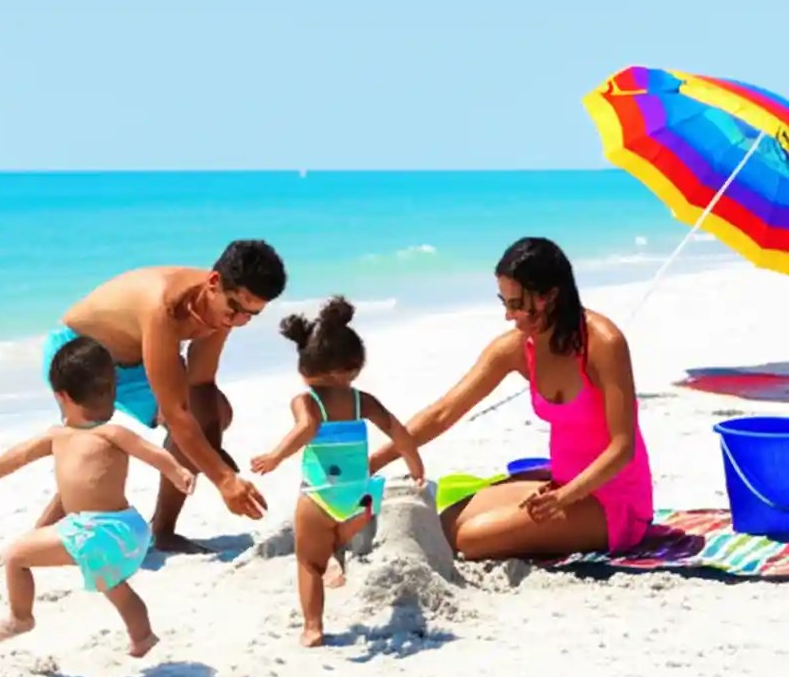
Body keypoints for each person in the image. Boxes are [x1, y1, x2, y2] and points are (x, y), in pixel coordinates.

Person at [368, 237, 654, 560]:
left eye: (516, 304)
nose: (508, 316)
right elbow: (444, 412)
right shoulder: (518, 348)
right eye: (503, 302)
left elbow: (622, 447)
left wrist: (565, 497)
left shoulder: (604, 343)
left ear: (550, 296)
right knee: (447, 525)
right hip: (561, 482)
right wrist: (373, 462)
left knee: (470, 538)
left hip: (613, 500)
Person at [34, 239, 288, 554]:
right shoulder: (164, 306)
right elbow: (177, 412)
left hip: (137, 358)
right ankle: (39, 536)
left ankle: (163, 532)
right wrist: (223, 479)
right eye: (235, 309)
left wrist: (212, 450)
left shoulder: (221, 310)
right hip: (81, 353)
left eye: (251, 314)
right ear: (213, 283)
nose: (237, 321)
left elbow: (202, 384)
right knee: (93, 449)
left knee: (216, 413)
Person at [0, 336, 196, 658]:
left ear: (62, 397)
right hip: (126, 531)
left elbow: (18, 456)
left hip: (96, 530)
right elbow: (154, 453)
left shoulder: (71, 435)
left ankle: (21, 618)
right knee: (113, 587)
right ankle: (142, 637)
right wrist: (177, 472)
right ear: (112, 391)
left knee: (15, 556)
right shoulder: (111, 432)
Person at [249, 295, 426, 647]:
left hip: (320, 494)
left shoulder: (306, 401)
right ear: (354, 368)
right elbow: (399, 432)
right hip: (361, 497)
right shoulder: (363, 400)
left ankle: (313, 627)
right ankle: (335, 555)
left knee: (307, 562)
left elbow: (306, 428)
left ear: (305, 370)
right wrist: (415, 466)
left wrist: (276, 456)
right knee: (336, 536)